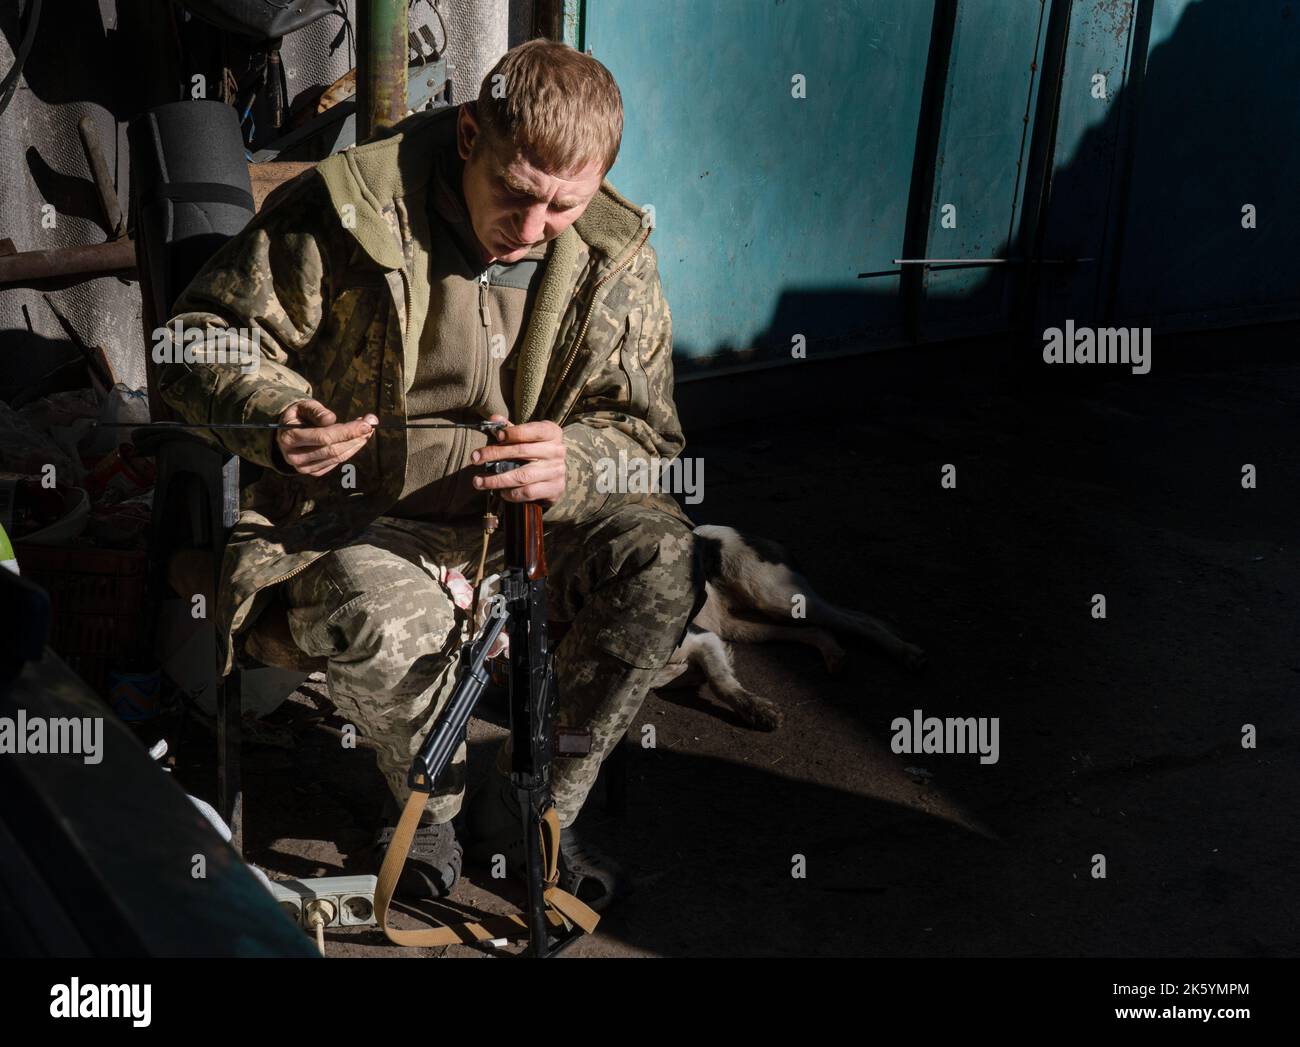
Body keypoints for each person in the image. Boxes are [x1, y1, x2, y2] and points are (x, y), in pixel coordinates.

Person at [156, 38, 701, 911]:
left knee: (664, 561)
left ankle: (535, 812)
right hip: (355, 526)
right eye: (516, 193)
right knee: (368, 594)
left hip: (525, 533)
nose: (530, 231)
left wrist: (580, 460)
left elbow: (648, 437)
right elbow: (190, 343)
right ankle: (431, 806)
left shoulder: (610, 253)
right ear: (469, 137)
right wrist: (272, 416)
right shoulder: (352, 212)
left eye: (563, 206)